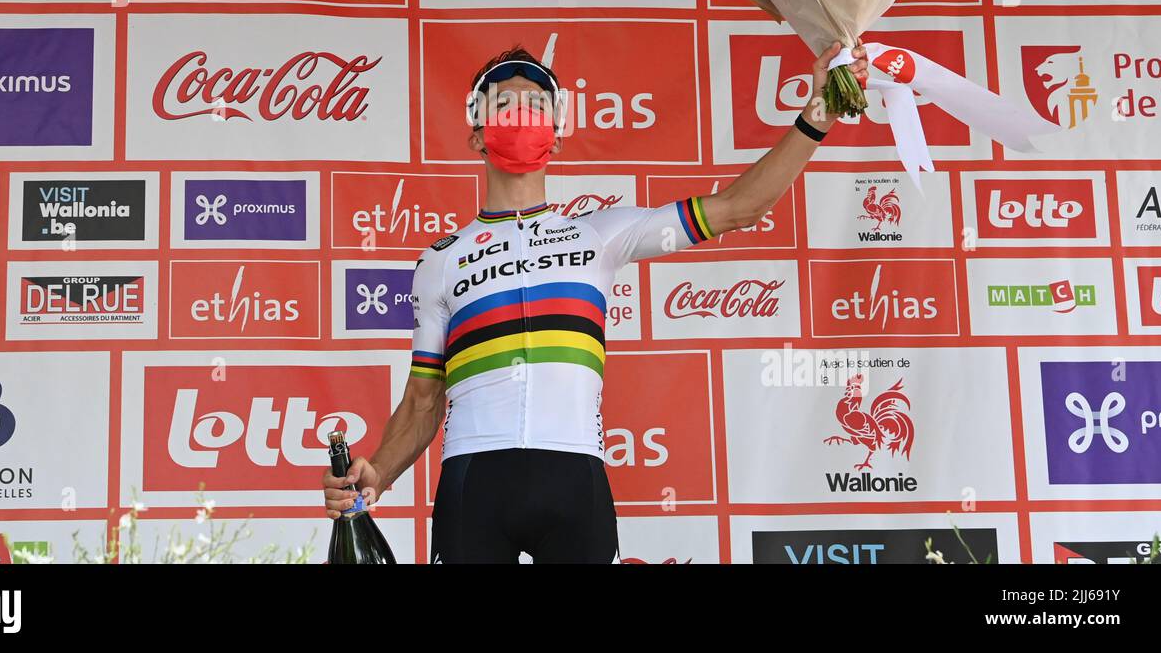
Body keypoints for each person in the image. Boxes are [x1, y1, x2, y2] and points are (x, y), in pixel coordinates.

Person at [322, 40, 869, 563]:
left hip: (574, 479)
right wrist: (380, 472)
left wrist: (818, 113)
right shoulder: (440, 259)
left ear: (557, 137)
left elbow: (739, 208)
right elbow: (422, 400)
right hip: (474, 484)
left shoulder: (601, 235)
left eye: (536, 104)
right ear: (475, 135)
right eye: (503, 103)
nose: (519, 113)